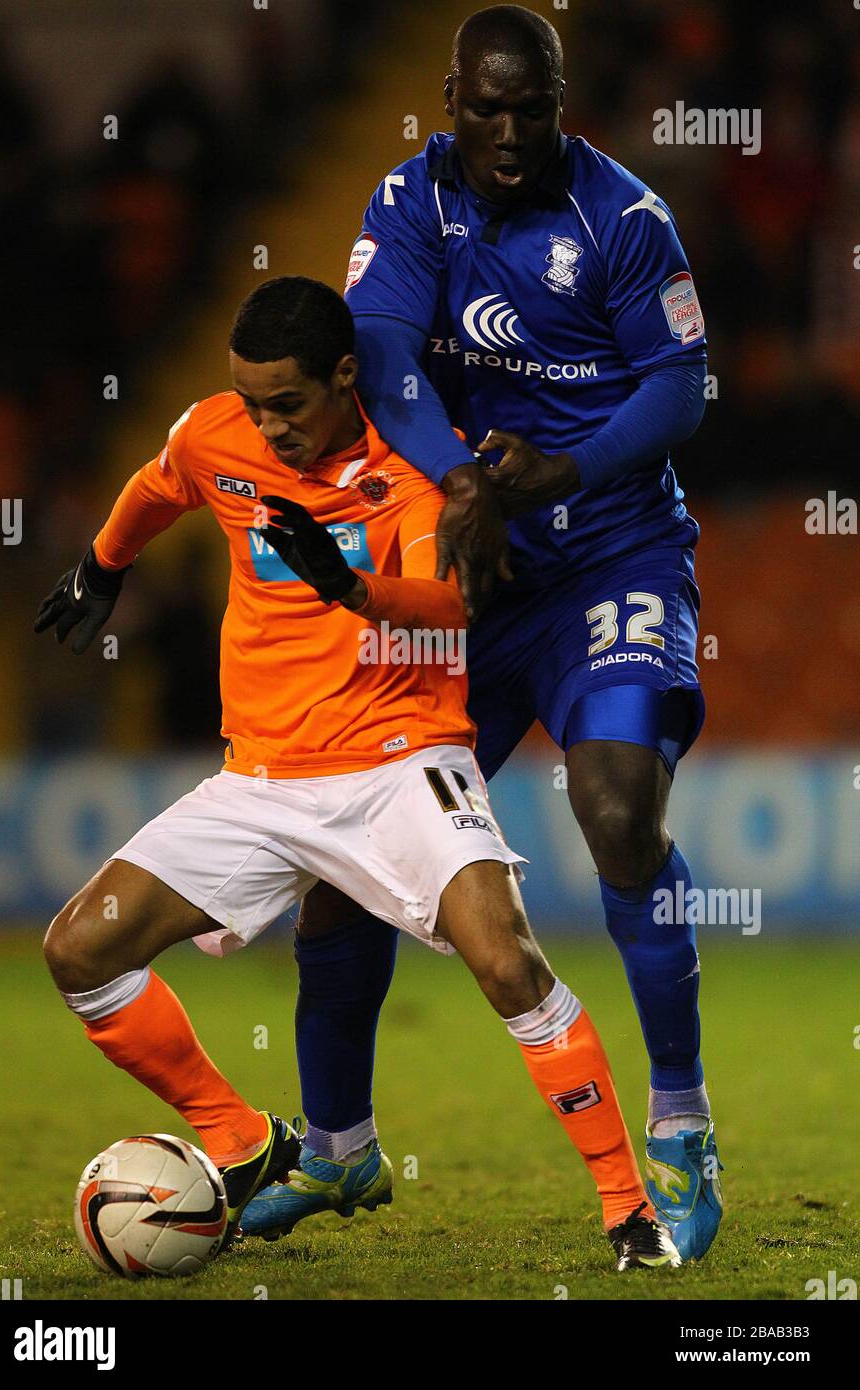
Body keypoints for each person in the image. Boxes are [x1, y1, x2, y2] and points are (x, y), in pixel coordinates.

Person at [35, 275, 679, 1270]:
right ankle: (245, 1143)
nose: (266, 426)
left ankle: (626, 1208)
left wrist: (348, 587)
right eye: (250, 403)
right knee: (79, 949)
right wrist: (105, 564)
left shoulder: (411, 469)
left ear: (344, 377)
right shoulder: (218, 435)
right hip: (258, 782)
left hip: (400, 763)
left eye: (286, 404)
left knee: (506, 961)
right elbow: (159, 483)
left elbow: (448, 601)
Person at [245, 6, 721, 1263]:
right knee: (341, 868)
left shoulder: (623, 221)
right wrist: (467, 482)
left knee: (617, 810)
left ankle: (677, 1119)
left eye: (533, 109)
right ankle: (340, 1149)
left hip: (607, 555)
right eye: (484, 109)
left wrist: (551, 473)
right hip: (467, 575)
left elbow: (682, 385)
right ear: (449, 98)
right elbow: (385, 361)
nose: (508, 135)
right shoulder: (408, 207)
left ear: (561, 99)